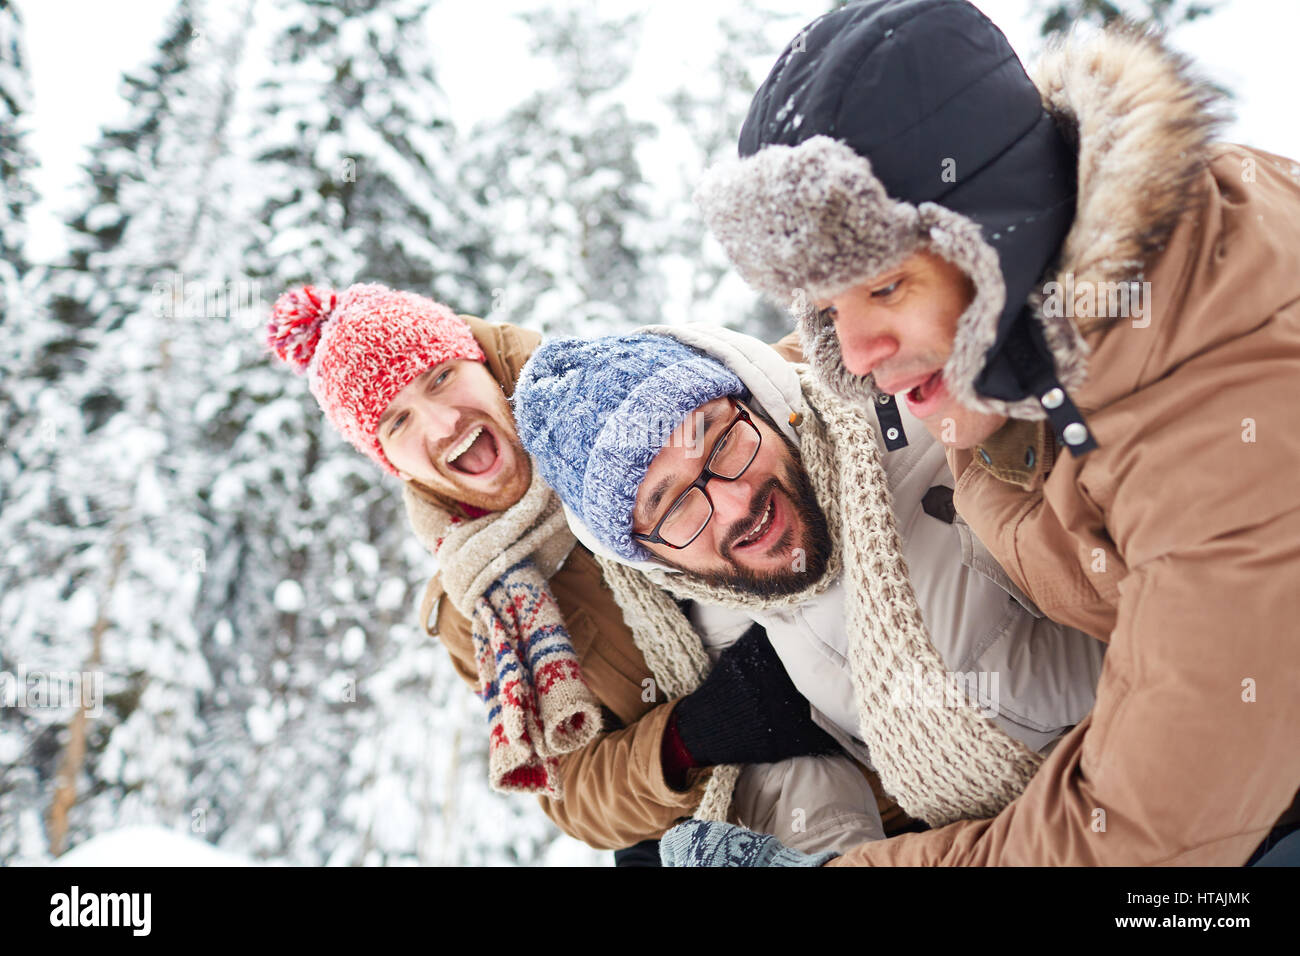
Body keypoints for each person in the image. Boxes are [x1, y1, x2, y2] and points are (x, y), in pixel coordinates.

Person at [685, 0, 1300, 865]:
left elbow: (1135, 844)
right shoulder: (1041, 322)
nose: (856, 356)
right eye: (829, 309)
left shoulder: (1212, 405)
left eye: (885, 287)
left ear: (994, 231)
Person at [262, 282, 888, 860]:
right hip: (779, 801)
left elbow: (771, 387)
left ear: (478, 359)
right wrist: (696, 736)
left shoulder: (602, 399)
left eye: (440, 377)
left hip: (887, 677)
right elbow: (572, 789)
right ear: (387, 459)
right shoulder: (477, 604)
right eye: (396, 422)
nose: (442, 422)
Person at [512, 322, 1107, 849]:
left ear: (761, 403)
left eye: (722, 439)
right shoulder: (734, 613)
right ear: (651, 556)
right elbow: (797, 768)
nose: (736, 503)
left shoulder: (933, 427)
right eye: (673, 507)